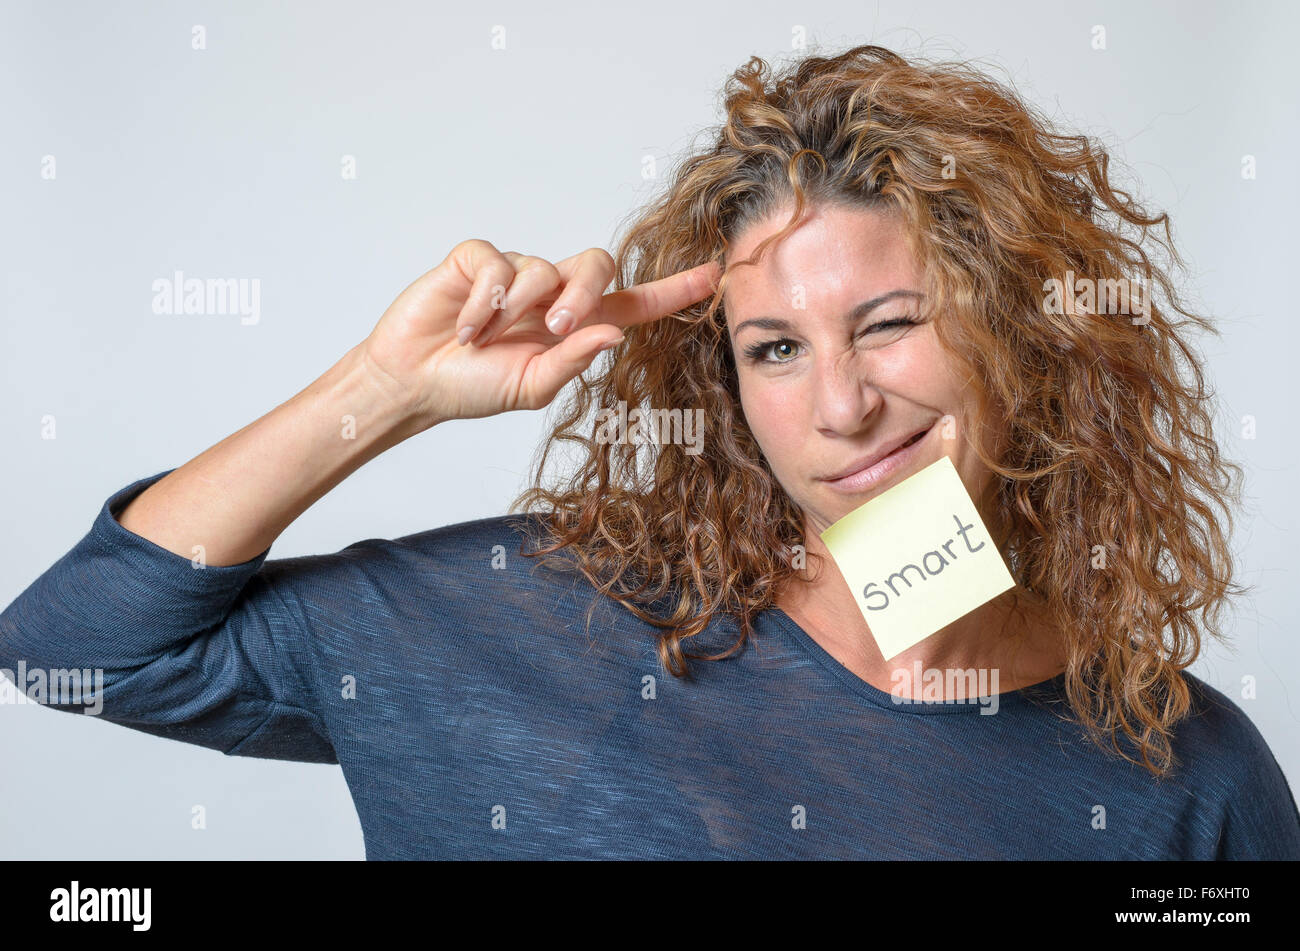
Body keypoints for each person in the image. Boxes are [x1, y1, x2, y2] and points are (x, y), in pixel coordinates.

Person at [3, 44, 1298, 860]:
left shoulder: (1179, 777)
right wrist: (386, 393)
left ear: (1028, 341)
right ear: (726, 386)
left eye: (890, 325)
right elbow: (66, 651)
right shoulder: (512, 619)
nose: (839, 406)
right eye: (774, 349)